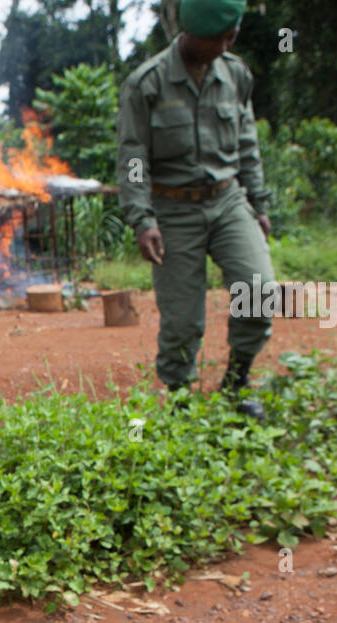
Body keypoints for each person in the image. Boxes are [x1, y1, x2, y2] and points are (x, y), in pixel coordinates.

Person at [116, 0, 275, 419]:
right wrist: (142, 218)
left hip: (228, 200)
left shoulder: (236, 74)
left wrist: (258, 203)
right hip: (172, 209)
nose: (225, 46)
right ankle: (180, 400)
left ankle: (237, 381)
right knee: (183, 321)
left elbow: (247, 143)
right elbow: (133, 158)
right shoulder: (146, 84)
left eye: (232, 37)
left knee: (257, 290)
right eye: (218, 38)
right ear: (191, 31)